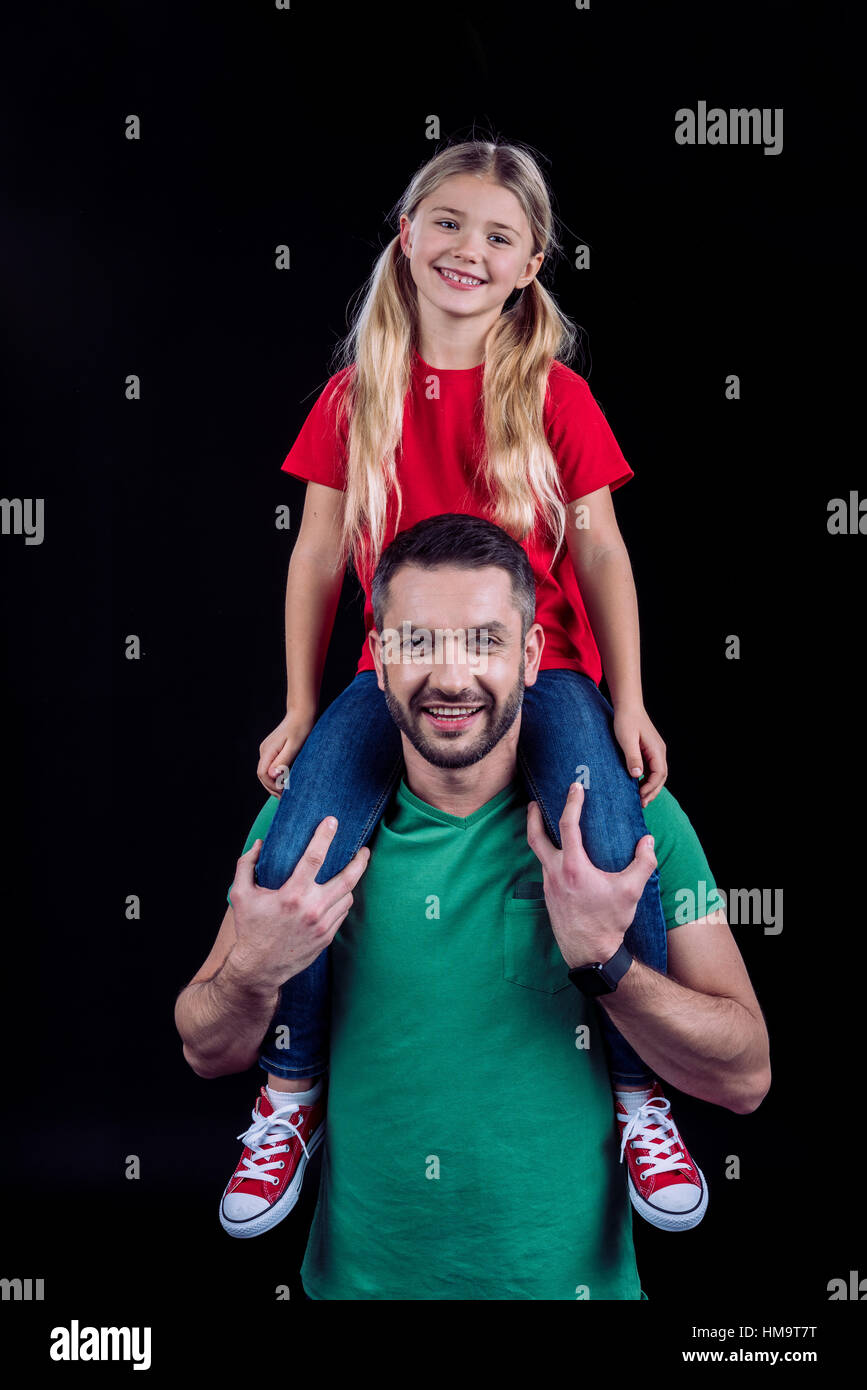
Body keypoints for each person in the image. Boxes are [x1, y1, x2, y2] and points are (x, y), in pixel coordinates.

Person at [222, 134, 695, 1234]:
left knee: (612, 831)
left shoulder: (554, 395)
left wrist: (627, 698)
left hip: (549, 669)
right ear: (407, 235)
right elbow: (315, 558)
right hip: (395, 675)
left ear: (531, 264)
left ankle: (639, 1098)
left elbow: (603, 555)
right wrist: (302, 704)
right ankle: (291, 1094)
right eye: (447, 222)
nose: (467, 249)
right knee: (297, 847)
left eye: (498, 235)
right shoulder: (359, 395)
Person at [174, 515, 771, 1300]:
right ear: (379, 658)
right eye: (417, 643)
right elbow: (204, 1049)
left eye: (484, 641)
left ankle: (640, 1107)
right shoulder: (304, 835)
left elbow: (744, 1075)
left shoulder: (635, 824)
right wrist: (254, 970)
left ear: (530, 657)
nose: (451, 678)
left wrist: (607, 962)